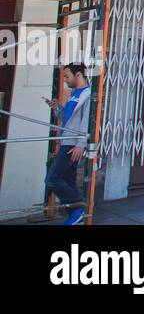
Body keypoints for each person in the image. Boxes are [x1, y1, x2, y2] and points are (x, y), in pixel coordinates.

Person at [42, 63, 91, 225]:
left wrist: (80, 144)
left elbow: (86, 121)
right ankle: (76, 215)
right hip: (67, 142)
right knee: (68, 180)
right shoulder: (74, 93)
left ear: (78, 75)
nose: (64, 80)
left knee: (52, 179)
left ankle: (79, 208)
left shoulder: (88, 94)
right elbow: (68, 118)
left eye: (67, 76)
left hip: (72, 144)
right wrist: (57, 108)